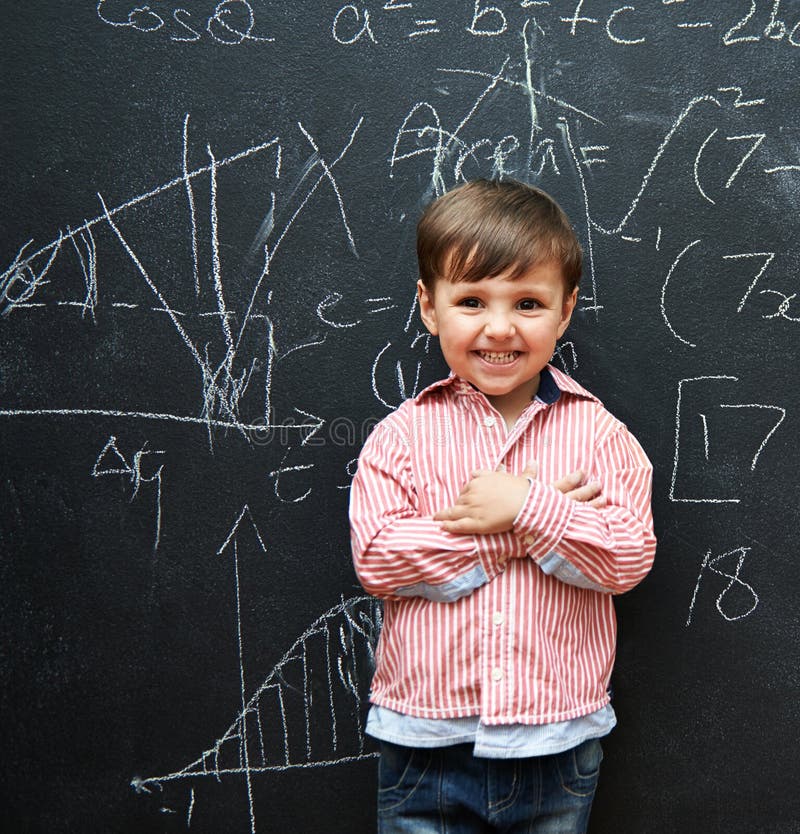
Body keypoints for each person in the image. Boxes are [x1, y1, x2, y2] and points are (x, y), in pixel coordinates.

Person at [349, 178, 656, 833]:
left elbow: (627, 556)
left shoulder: (602, 437)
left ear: (565, 310)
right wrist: (520, 529)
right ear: (429, 308)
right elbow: (379, 559)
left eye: (527, 302)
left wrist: (526, 507)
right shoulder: (400, 436)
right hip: (421, 747)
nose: (498, 327)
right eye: (470, 300)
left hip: (555, 747)